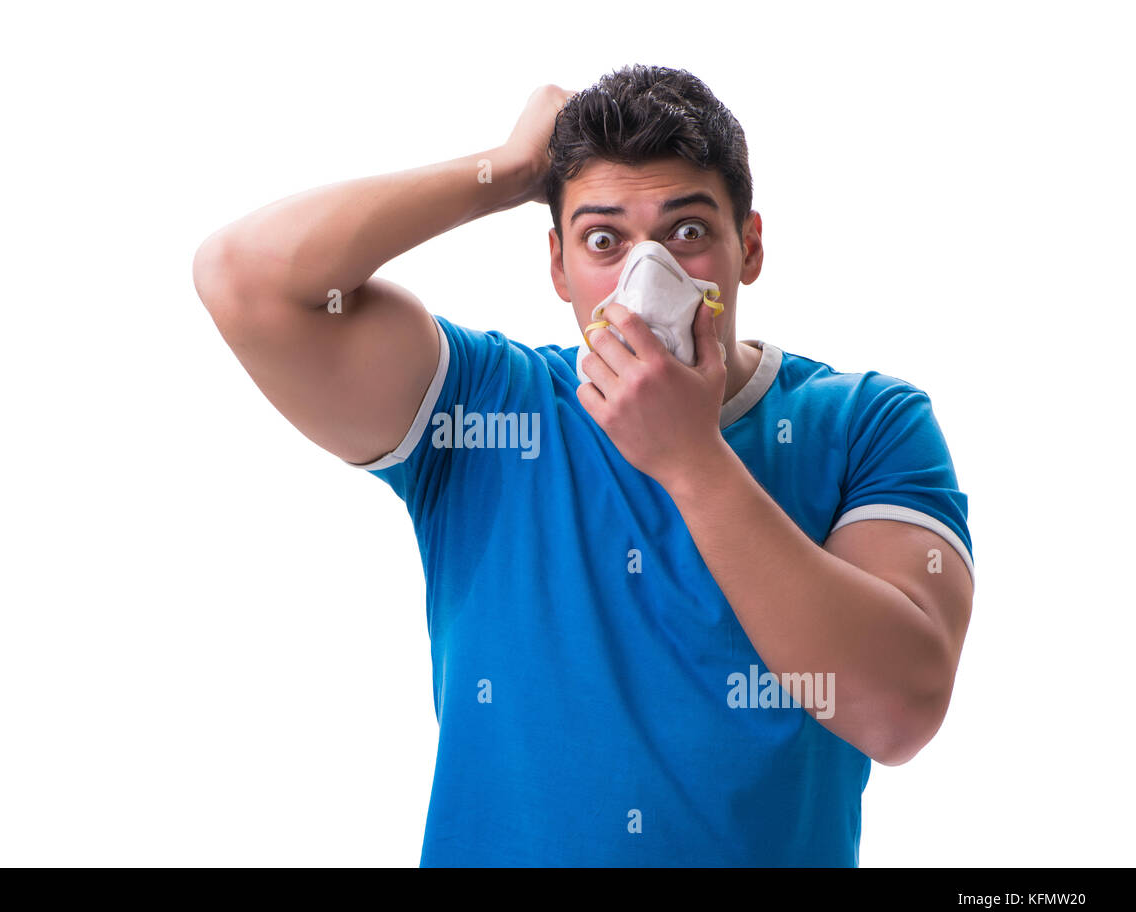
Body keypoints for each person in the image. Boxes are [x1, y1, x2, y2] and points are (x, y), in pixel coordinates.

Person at [191, 64, 975, 867]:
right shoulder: (486, 407)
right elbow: (244, 279)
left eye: (687, 233)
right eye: (604, 240)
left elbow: (897, 710)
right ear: (559, 266)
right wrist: (507, 170)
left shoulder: (868, 422)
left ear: (749, 246)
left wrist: (691, 459)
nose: (647, 277)